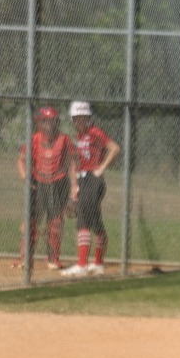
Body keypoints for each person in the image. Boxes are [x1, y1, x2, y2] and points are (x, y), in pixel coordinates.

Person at [66, 100, 120, 276]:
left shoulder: (95, 132)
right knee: (95, 221)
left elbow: (114, 148)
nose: (80, 121)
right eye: (76, 118)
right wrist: (74, 185)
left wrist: (101, 168)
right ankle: (98, 264)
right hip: (82, 179)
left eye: (83, 117)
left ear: (89, 117)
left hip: (93, 179)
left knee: (83, 219)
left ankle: (82, 265)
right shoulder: (78, 136)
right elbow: (74, 162)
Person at [16, 106, 73, 271]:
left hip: (58, 184)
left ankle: (53, 259)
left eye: (52, 121)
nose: (49, 124)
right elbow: (21, 160)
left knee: (55, 223)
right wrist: (25, 176)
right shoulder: (34, 139)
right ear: (39, 123)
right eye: (46, 121)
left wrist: (74, 187)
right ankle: (25, 258)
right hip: (38, 184)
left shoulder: (64, 139)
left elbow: (71, 163)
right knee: (30, 222)